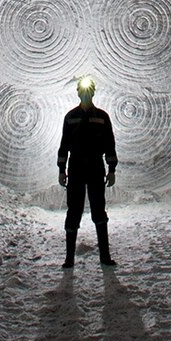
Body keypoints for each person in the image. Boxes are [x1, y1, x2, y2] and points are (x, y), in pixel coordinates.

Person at [57, 74, 117, 268]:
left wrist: (111, 169)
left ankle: (105, 257)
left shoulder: (102, 117)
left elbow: (109, 144)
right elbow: (64, 145)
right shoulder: (70, 117)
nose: (84, 95)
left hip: (95, 168)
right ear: (78, 93)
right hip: (75, 169)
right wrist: (61, 169)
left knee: (99, 211)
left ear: (92, 93)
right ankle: (69, 259)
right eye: (82, 91)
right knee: (74, 211)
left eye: (87, 91)